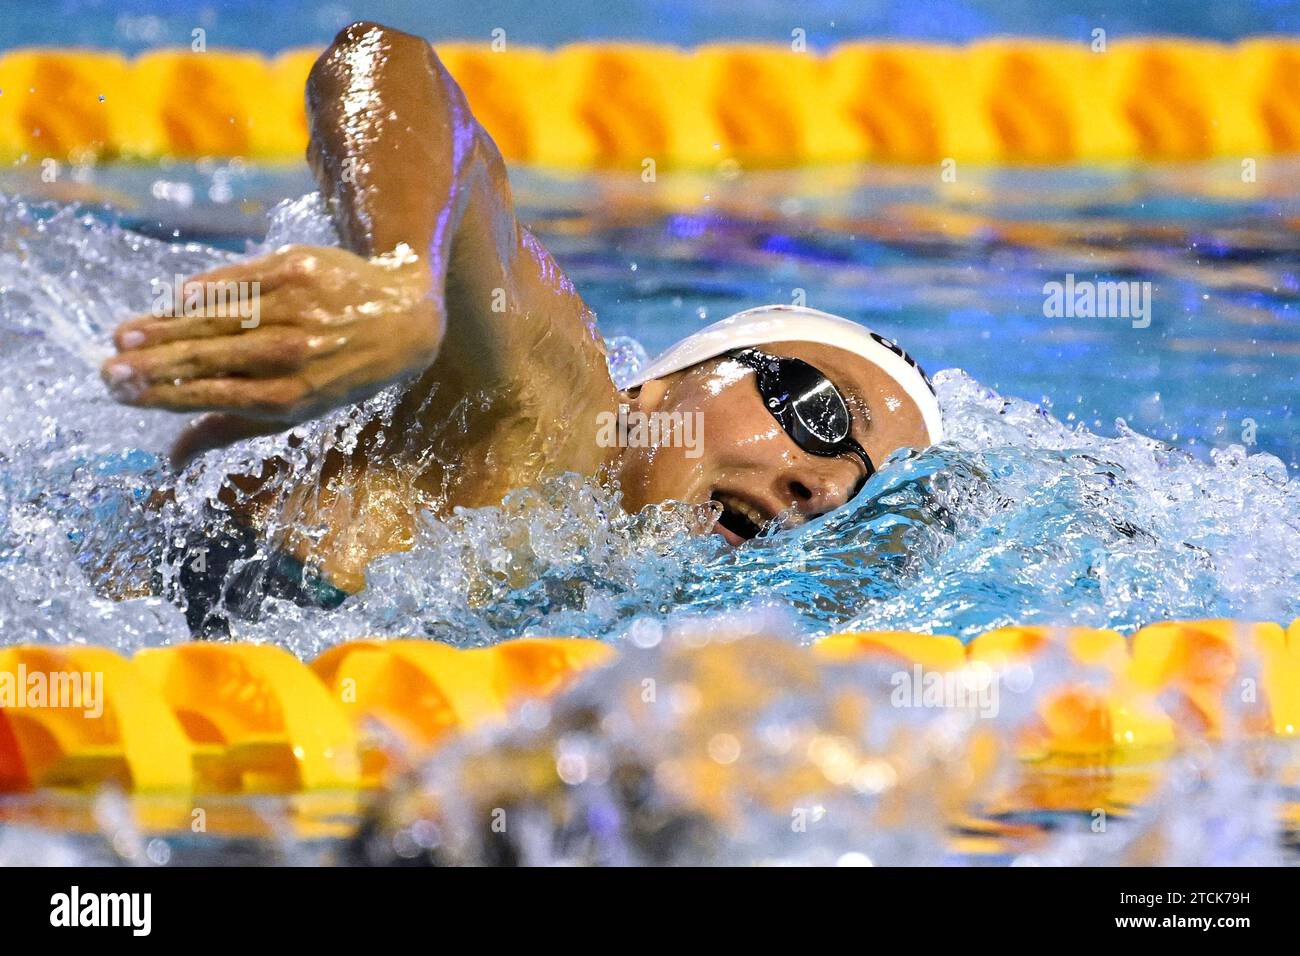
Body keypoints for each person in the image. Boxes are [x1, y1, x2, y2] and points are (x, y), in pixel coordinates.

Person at [99, 21, 943, 634]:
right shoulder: (553, 409)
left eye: (862, 490)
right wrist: (401, 280)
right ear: (662, 386)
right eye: (822, 413)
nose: (824, 489)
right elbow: (385, 64)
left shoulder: (624, 613)